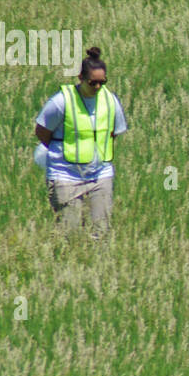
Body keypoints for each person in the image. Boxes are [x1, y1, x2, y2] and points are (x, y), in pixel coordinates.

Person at [33, 47, 127, 237]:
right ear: (81, 78)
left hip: (101, 175)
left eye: (103, 82)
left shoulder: (110, 101)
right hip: (65, 176)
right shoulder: (61, 102)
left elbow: (113, 133)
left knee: (101, 234)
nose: (98, 87)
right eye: (93, 83)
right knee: (70, 235)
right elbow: (42, 132)